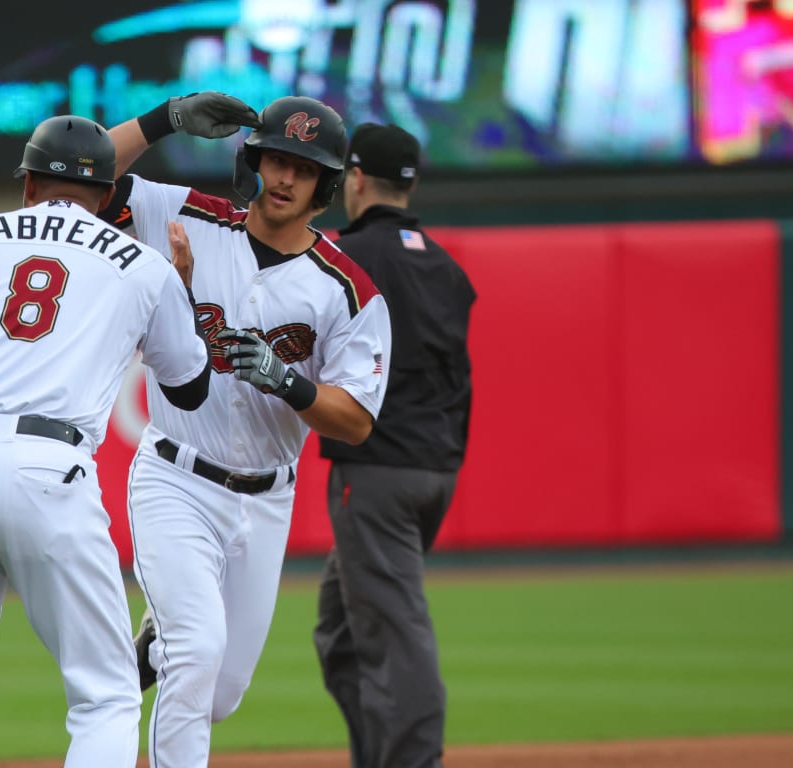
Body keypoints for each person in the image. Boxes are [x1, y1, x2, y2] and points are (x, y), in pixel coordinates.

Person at [0, 115, 212, 768]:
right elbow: (191, 388)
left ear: (28, 182)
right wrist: (185, 290)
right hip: (48, 467)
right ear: (110, 196)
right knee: (106, 694)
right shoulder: (142, 264)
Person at [101, 93, 393, 767]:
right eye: (277, 159)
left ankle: (148, 648)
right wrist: (163, 120)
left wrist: (288, 381)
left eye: (305, 168)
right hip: (177, 474)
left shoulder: (345, 288)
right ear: (253, 161)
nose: (287, 178)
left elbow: (355, 421)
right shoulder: (187, 216)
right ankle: (159, 657)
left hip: (266, 498)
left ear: (327, 183)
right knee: (198, 652)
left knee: (218, 694)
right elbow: (74, 173)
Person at [315, 123, 476, 768]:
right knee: (342, 630)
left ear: (354, 178)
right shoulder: (445, 265)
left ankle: (413, 761)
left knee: (394, 630)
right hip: (435, 467)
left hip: (377, 472)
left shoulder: (347, 257)